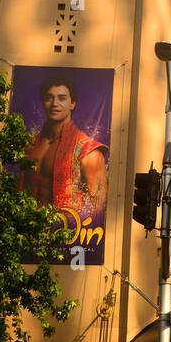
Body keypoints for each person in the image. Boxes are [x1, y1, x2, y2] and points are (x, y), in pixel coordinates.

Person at [20, 76, 108, 259]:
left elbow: (98, 209)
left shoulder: (88, 152)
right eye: (49, 97)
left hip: (67, 243)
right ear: (43, 102)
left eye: (61, 98)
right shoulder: (30, 147)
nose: (54, 103)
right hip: (27, 240)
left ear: (72, 103)